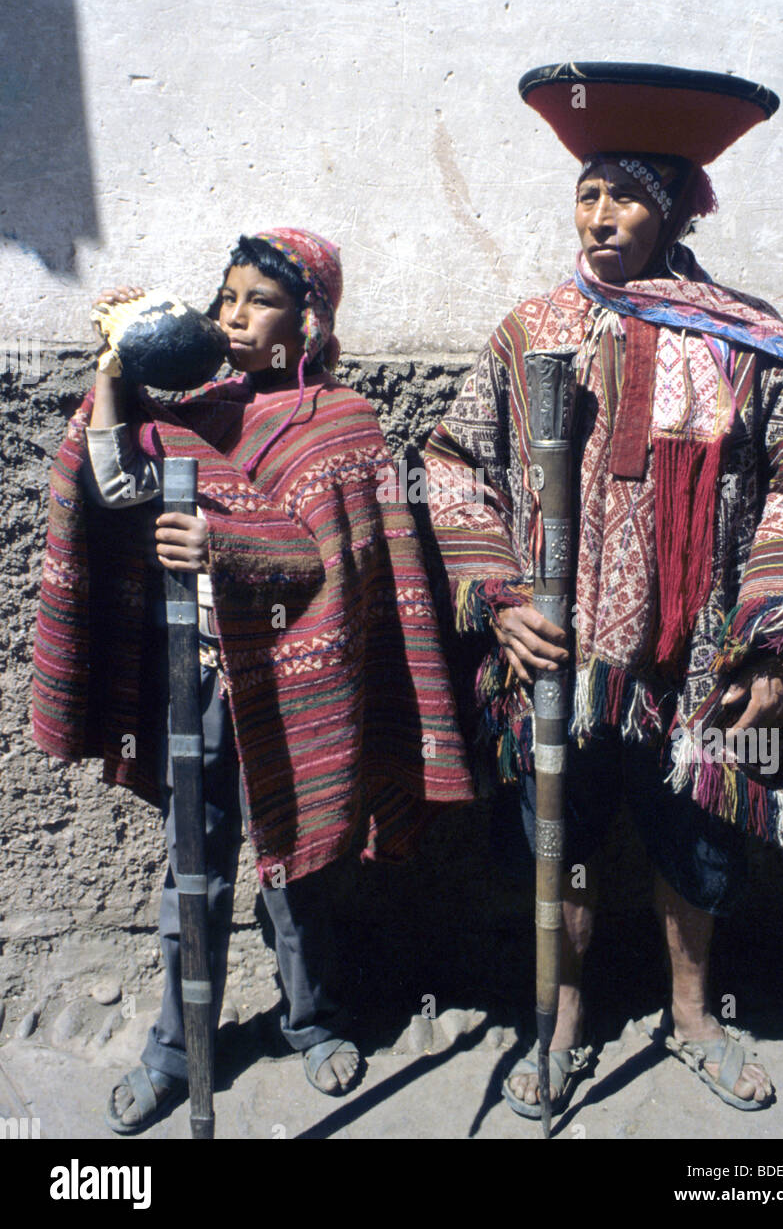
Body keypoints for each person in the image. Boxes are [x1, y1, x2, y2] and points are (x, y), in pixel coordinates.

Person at [423, 63, 783, 1120]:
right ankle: (563, 1019)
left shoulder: (745, 340)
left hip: (698, 663)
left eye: (623, 194)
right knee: (559, 847)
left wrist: (769, 648)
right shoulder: (531, 331)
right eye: (586, 193)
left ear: (667, 210)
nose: (600, 215)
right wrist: (499, 597)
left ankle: (693, 1014)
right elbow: (448, 463)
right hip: (558, 663)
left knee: (696, 845)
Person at [32, 226, 473, 1133]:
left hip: (294, 689)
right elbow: (117, 487)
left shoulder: (343, 424)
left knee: (296, 870)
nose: (234, 317)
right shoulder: (196, 409)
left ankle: (309, 1019)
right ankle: (172, 1047)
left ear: (307, 321)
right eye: (225, 297)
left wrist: (223, 544)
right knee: (190, 870)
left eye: (259, 302)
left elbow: (334, 565)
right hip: (198, 684)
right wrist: (116, 368)